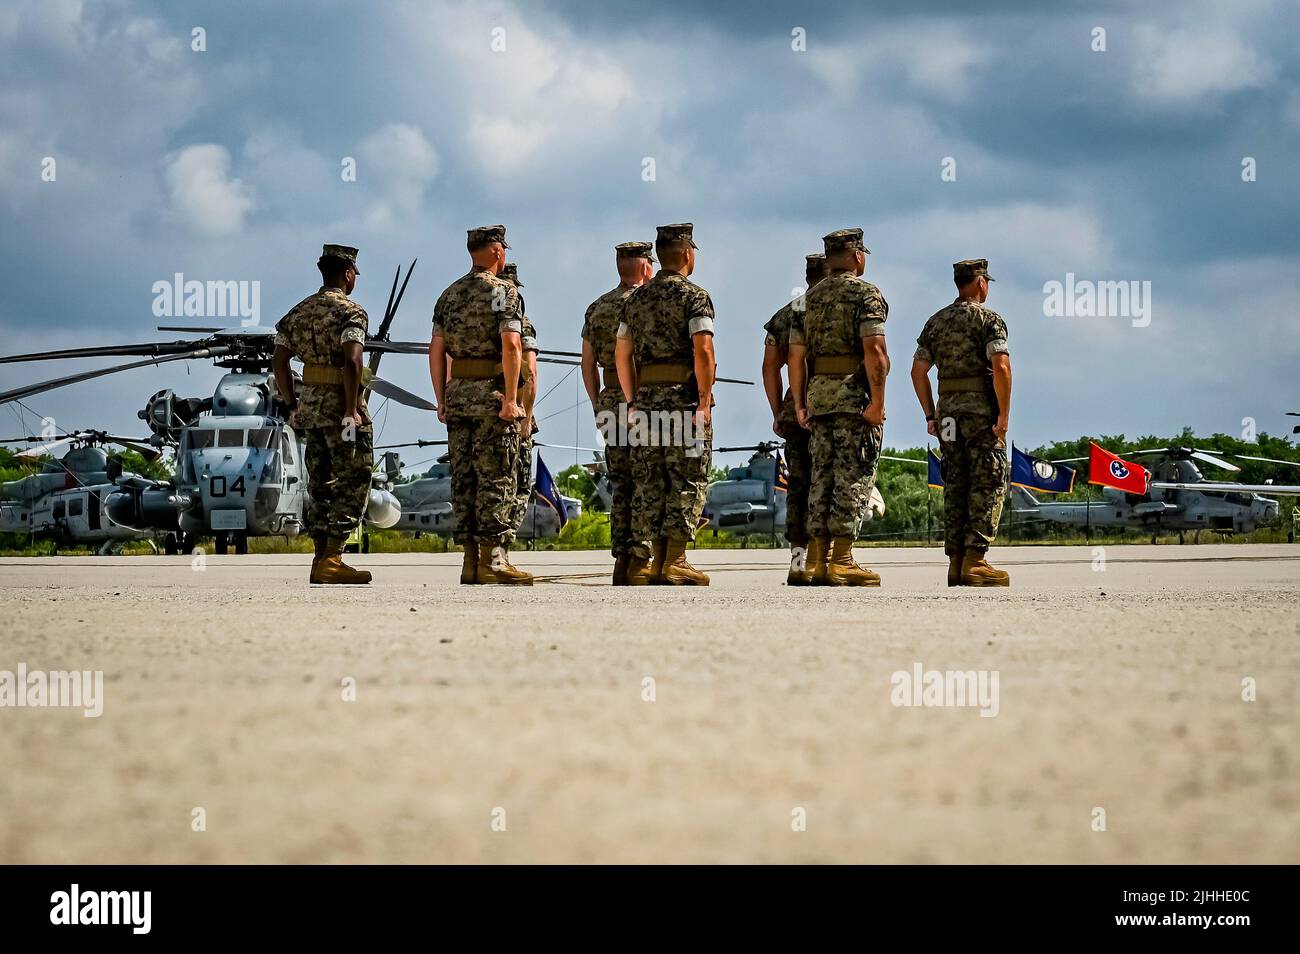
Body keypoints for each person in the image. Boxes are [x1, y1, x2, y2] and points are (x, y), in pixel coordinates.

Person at [429, 225, 532, 585]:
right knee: (497, 478)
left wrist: (442, 399)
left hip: (458, 399)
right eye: (502, 247)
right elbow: (512, 347)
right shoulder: (503, 292)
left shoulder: (448, 295)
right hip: (491, 399)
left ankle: (471, 563)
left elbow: (437, 350)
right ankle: (493, 561)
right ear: (494, 251)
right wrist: (510, 399)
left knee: (465, 480)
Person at [614, 223, 716, 585]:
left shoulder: (636, 300)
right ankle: (675, 560)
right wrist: (703, 401)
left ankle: (655, 563)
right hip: (684, 402)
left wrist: (631, 400)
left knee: (650, 479)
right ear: (688, 254)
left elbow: (621, 354)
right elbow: (703, 351)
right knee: (687, 478)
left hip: (646, 403)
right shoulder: (695, 298)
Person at [788, 228, 889, 586]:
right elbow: (875, 352)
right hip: (851, 397)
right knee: (852, 476)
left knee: (822, 478)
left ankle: (816, 559)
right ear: (857, 255)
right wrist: (878, 402)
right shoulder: (866, 294)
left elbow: (795, 358)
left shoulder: (808, 300)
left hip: (818, 398)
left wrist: (800, 403)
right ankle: (842, 559)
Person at [273, 244, 374, 584]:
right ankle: (332, 557)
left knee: (320, 485)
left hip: (310, 413)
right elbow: (353, 360)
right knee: (353, 481)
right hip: (341, 413)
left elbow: (279, 360)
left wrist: (290, 403)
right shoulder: (351, 312)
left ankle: (321, 558)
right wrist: (350, 410)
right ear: (348, 274)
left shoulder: (297, 313)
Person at [911, 259, 1011, 586]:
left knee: (956, 482)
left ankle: (955, 562)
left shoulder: (936, 323)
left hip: (948, 416)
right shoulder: (988, 320)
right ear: (981, 282)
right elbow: (1002, 368)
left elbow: (918, 371)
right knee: (987, 480)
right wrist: (1003, 417)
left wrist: (930, 414)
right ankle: (976, 560)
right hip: (980, 414)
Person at [580, 241, 655, 584]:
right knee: (644, 479)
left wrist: (597, 402)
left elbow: (587, 364)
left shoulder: (597, 308)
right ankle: (639, 558)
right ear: (645, 268)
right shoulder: (646, 303)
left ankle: (621, 558)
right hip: (641, 397)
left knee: (620, 481)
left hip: (609, 399)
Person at [762, 252, 828, 585]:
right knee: (830, 482)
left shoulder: (786, 315)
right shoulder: (836, 306)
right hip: (832, 406)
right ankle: (825, 557)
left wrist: (778, 410)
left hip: (793, 407)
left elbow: (770, 366)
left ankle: (799, 560)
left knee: (799, 486)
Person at [500, 262, 539, 538]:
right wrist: (526, 414)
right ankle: (503, 543)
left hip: (479, 405)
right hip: (515, 413)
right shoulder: (522, 326)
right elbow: (531, 373)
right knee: (518, 484)